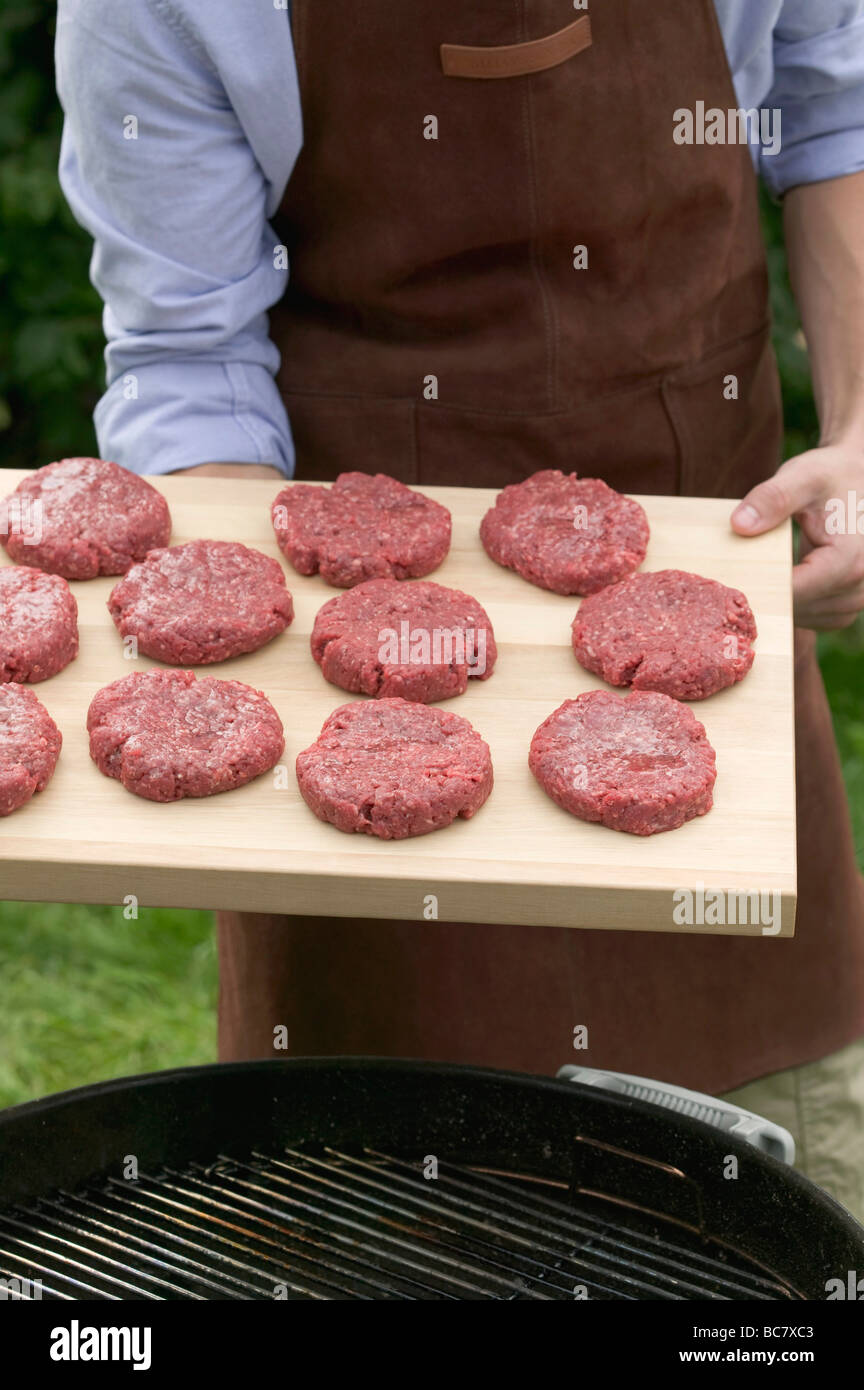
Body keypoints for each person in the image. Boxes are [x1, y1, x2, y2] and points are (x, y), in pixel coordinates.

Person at [56, 1, 864, 1219]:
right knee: (386, 1212)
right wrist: (239, 652)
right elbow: (187, 352)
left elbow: (838, 112)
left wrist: (861, 434)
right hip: (353, 657)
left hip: (709, 598)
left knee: (780, 1213)